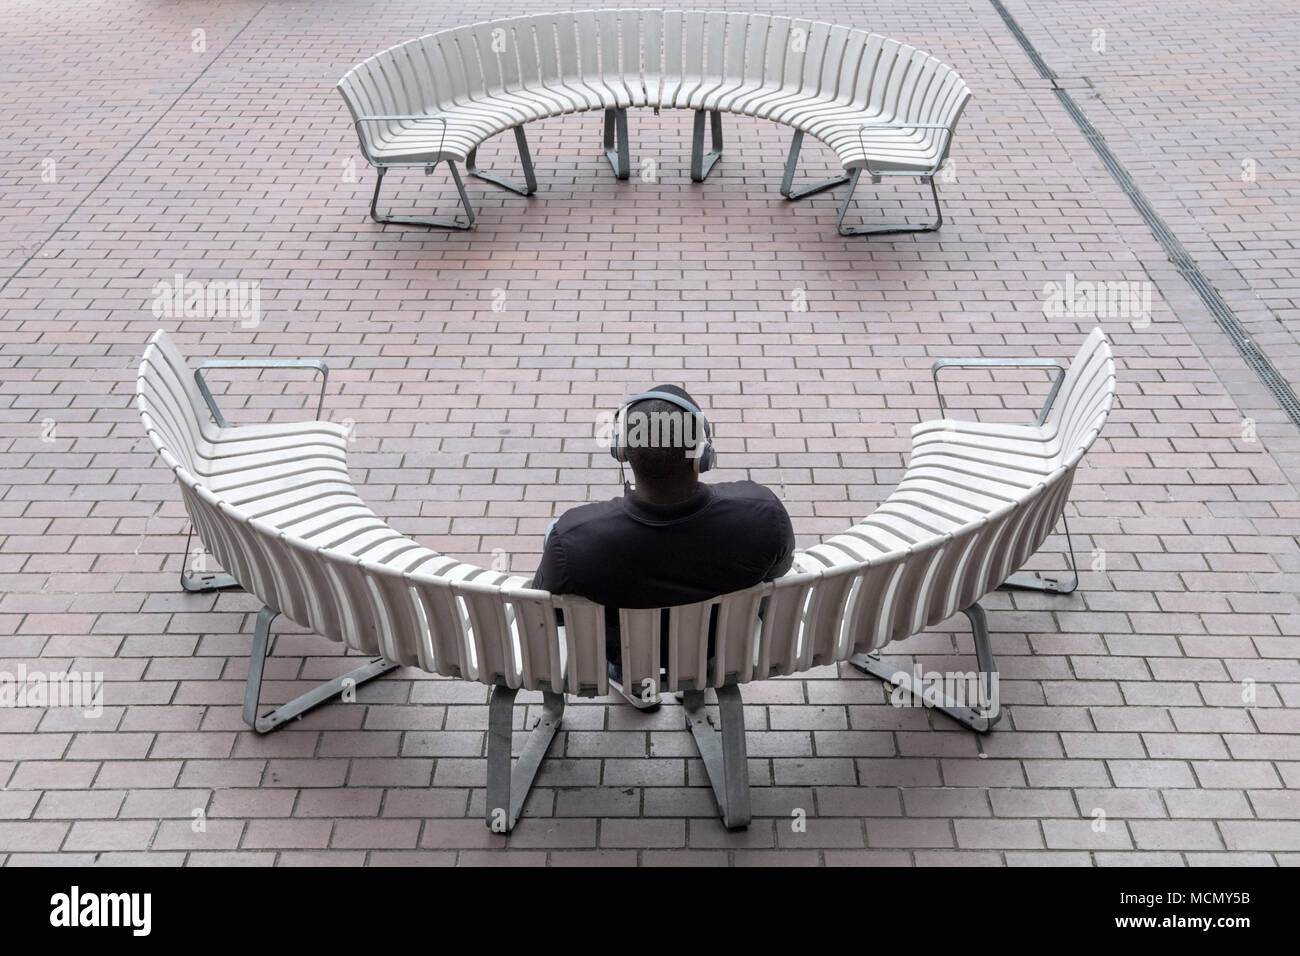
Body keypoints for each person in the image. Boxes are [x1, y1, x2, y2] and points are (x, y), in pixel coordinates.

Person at [530, 385, 795, 710]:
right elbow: (777, 573)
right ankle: (697, 676)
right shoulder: (763, 513)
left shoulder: (572, 537)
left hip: (629, 655)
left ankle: (629, 675)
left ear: (621, 452)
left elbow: (551, 609)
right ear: (703, 455)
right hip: (714, 649)